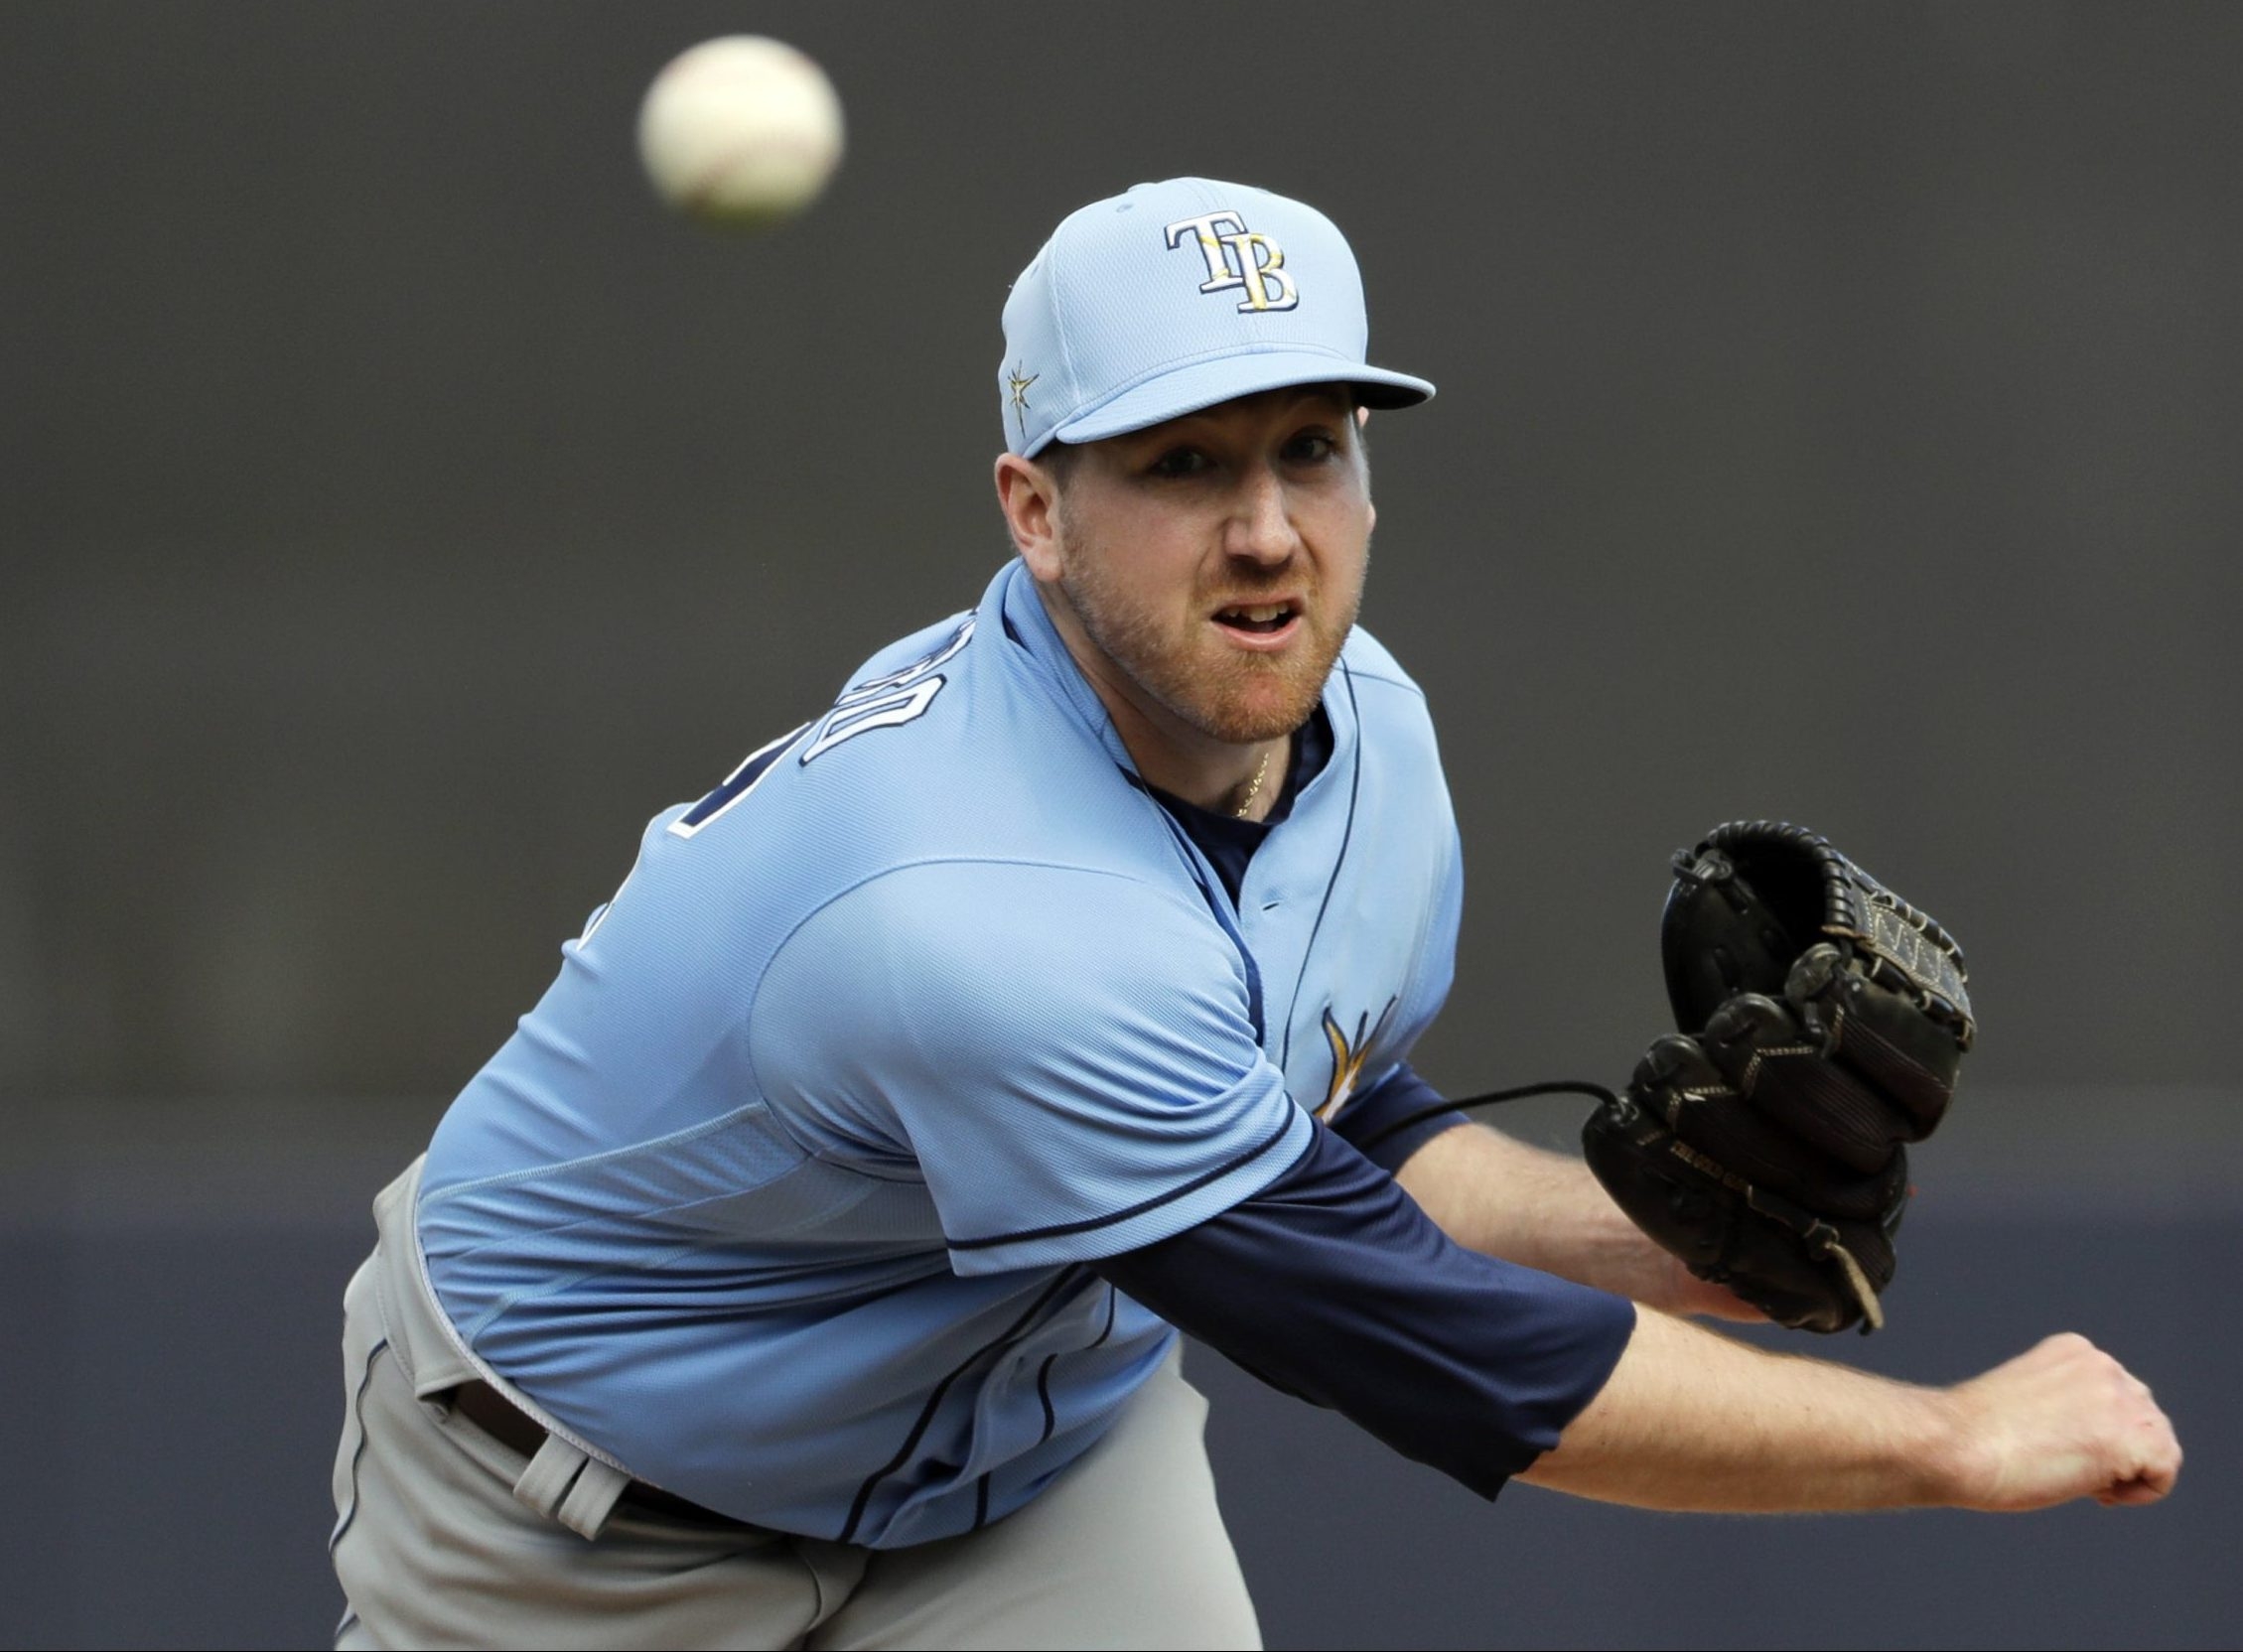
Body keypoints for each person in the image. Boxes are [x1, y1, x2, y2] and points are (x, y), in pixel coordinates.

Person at [327, 177, 2179, 1650]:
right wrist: (1949, 1439)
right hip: (582, 1523)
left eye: (1313, 446)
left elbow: (1331, 1122)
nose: (1271, 530)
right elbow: (1440, 1357)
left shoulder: (1365, 730)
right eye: (1185, 463)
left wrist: (1662, 1248)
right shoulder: (970, 912)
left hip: (1026, 1478)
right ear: (1033, 511)